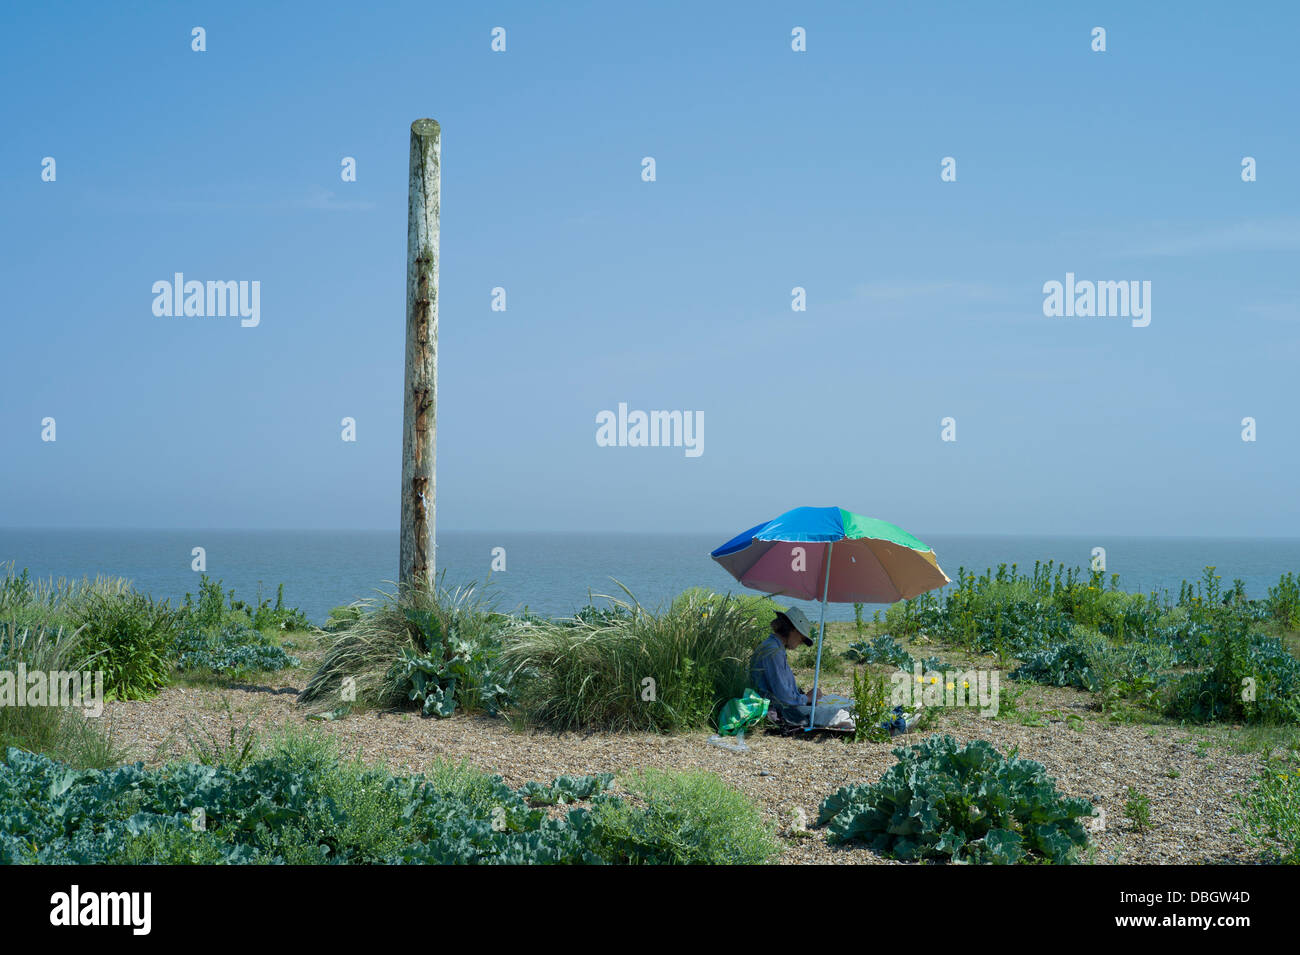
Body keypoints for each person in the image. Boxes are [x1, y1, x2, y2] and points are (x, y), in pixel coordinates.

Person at [749, 607, 854, 729]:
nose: (801, 643)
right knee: (840, 715)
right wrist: (807, 698)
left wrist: (805, 697)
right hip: (783, 710)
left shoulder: (773, 647)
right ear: (793, 630)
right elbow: (784, 697)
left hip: (783, 706)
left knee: (838, 706)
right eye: (802, 638)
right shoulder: (773, 652)